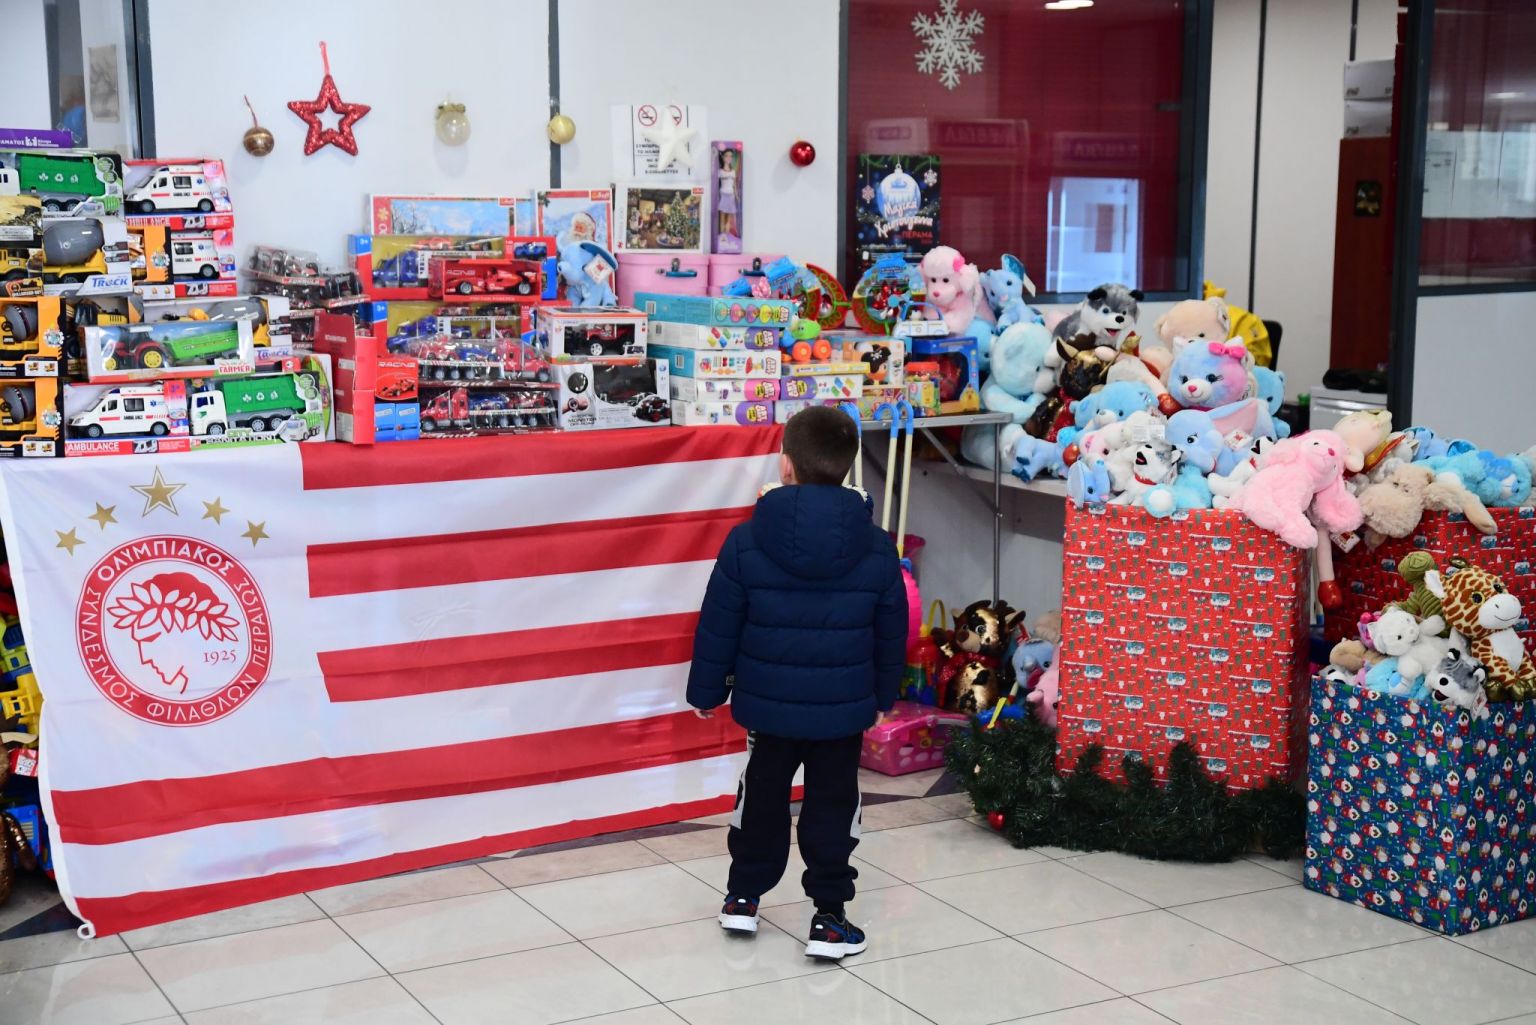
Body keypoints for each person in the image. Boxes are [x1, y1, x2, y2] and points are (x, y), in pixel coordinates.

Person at [687, 406, 908, 961]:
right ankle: (829, 918)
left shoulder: (745, 541)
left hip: (768, 709)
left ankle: (743, 898)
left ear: (785, 465)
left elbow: (719, 621)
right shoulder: (878, 546)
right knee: (833, 806)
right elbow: (890, 630)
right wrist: (884, 696)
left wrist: (706, 690)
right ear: (848, 468)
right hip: (842, 712)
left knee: (761, 797)